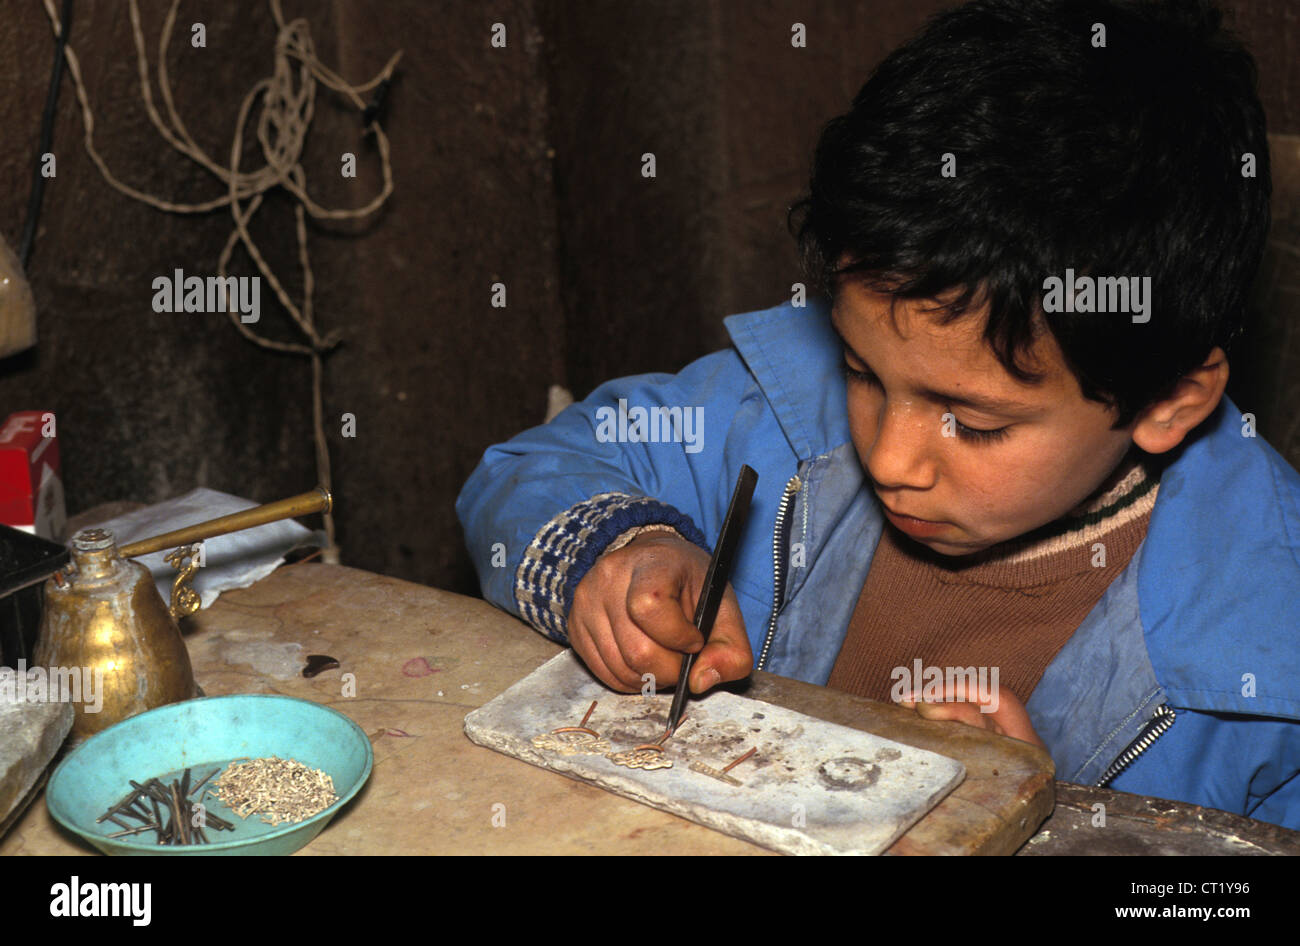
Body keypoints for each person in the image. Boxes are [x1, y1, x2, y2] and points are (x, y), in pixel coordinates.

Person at [457, 0, 1300, 829]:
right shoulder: (781, 410)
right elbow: (526, 468)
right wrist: (621, 548)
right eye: (862, 371)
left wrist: (1043, 831)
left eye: (973, 423)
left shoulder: (1268, 647)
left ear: (1168, 400)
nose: (892, 456)